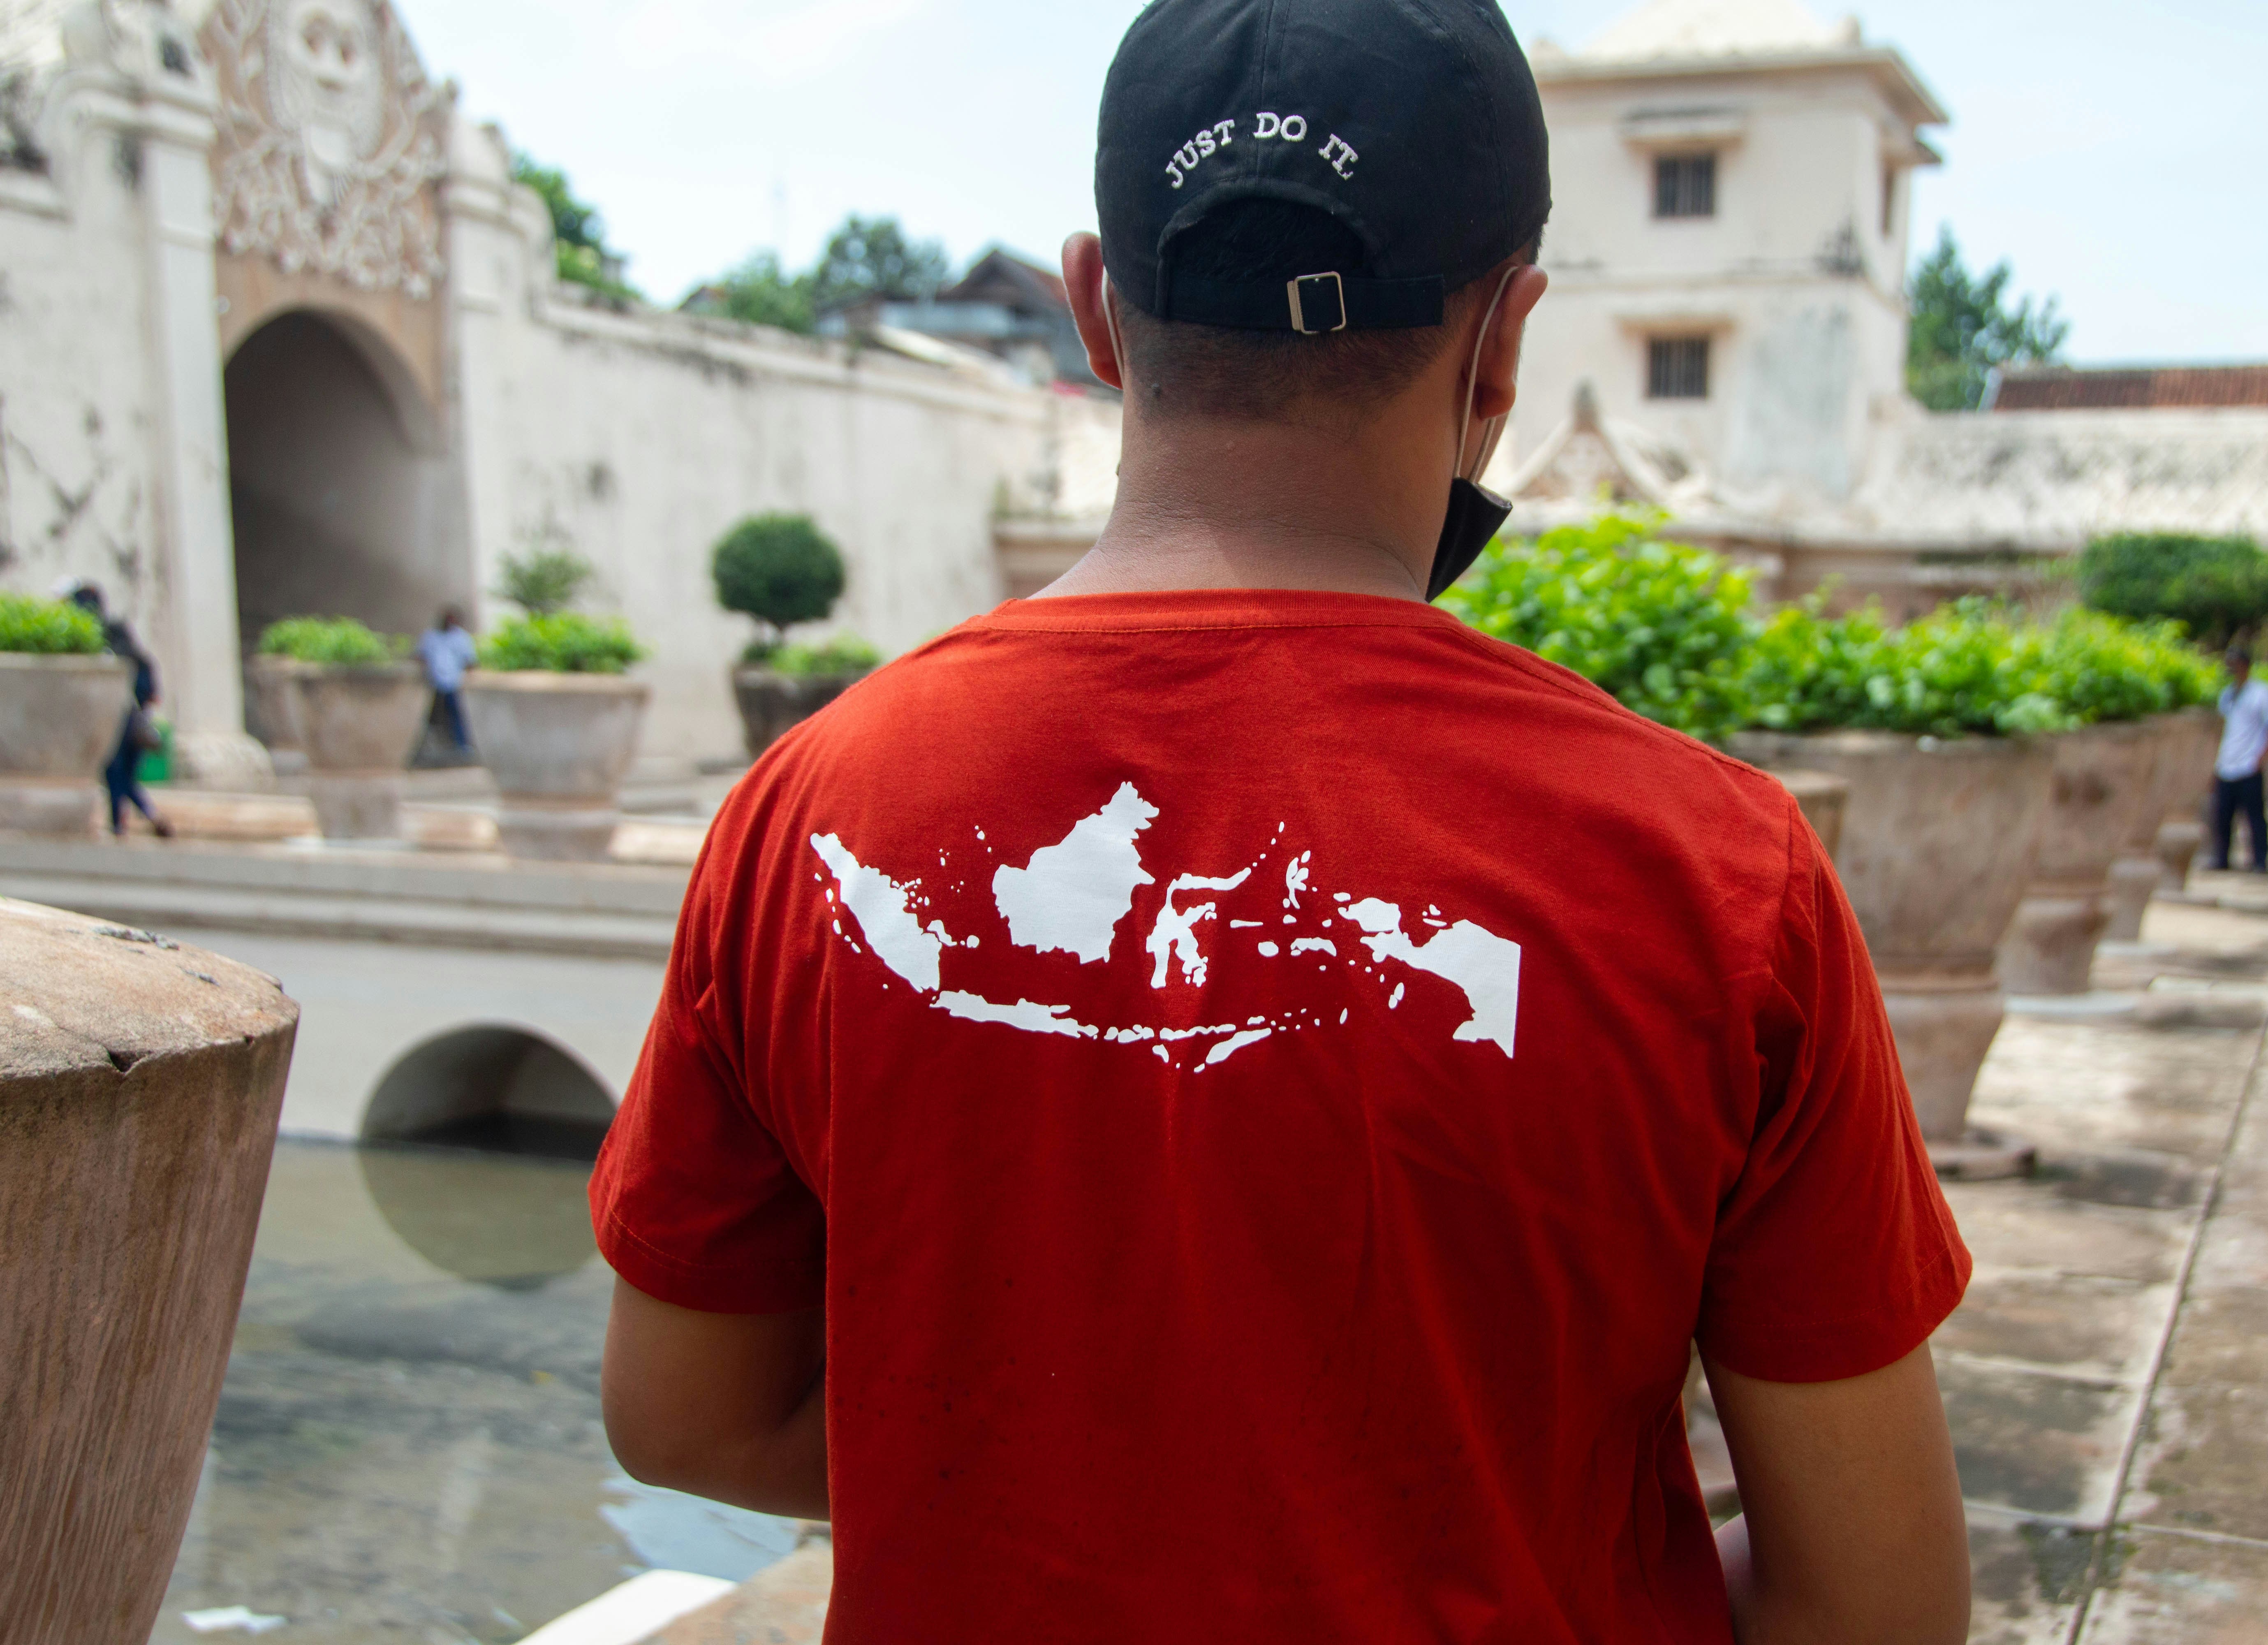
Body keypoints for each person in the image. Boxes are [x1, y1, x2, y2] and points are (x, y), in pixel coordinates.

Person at [590, 3, 1973, 1640]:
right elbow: (1875, 1605)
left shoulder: (812, 812)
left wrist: (1078, 1479)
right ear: (1507, 344)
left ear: (1096, 309)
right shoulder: (1715, 872)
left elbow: (685, 1414)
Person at [67, 582, 172, 840]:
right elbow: (146, 673)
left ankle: (124, 824)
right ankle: (144, 817)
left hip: (117, 719)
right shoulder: (120, 633)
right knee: (124, 774)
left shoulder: (96, 638)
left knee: (115, 772)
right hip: (136, 718)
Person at [2212, 645, 2268, 873]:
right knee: (2223, 815)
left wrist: (2261, 757)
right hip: (2227, 764)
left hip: (2250, 765)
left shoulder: (2263, 694)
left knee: (2255, 817)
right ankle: (2222, 858)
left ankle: (2260, 861)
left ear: (2245, 665)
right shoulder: (2227, 695)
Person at [417, 605, 478, 758]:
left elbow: (470, 661)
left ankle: (462, 745)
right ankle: (423, 747)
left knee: (456, 713)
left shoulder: (462, 638)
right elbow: (421, 655)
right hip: (434, 683)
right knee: (429, 716)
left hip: (454, 683)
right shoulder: (431, 636)